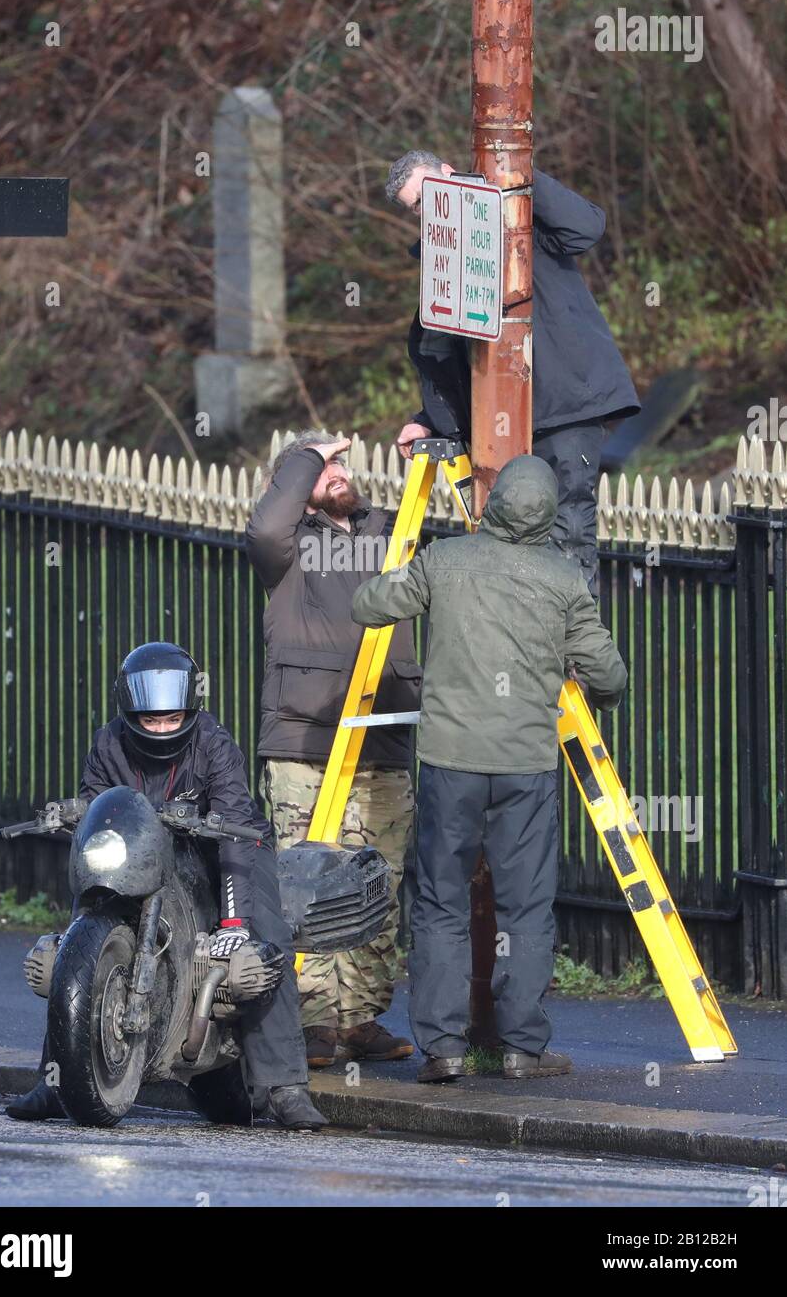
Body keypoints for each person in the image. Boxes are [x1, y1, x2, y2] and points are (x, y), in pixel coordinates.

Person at [351, 455, 628, 1083]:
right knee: (527, 908)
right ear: (550, 515)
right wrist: (586, 683)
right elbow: (608, 676)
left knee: (440, 905)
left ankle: (442, 1049)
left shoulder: (446, 561)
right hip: (526, 766)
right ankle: (523, 1049)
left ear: (493, 503)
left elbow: (371, 605)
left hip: (450, 762)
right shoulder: (563, 579)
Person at [6, 641, 326, 1130]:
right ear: (130, 711)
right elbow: (97, 812)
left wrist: (236, 921)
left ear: (189, 710)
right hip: (143, 853)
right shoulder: (107, 743)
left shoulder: (215, 744)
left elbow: (236, 824)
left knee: (268, 938)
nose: (161, 727)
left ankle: (284, 1088)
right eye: (150, 720)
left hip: (225, 848)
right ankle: (56, 1081)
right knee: (84, 928)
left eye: (171, 718)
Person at [385, 151, 640, 595]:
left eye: (427, 195)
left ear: (449, 174)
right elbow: (452, 355)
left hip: (565, 401)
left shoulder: (519, 212)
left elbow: (587, 227)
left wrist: (515, 172)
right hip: (499, 416)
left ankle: (573, 657)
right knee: (511, 540)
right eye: (416, 207)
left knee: (567, 528)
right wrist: (428, 417)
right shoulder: (443, 259)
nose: (427, 211)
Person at [246, 431, 420, 1069]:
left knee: (379, 879)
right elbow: (265, 529)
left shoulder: (390, 530)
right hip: (305, 739)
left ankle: (361, 1018)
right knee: (308, 883)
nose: (337, 472)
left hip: (384, 733)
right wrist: (310, 456)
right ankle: (314, 1022)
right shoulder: (287, 547)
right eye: (321, 468)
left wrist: (429, 433)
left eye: (341, 462)